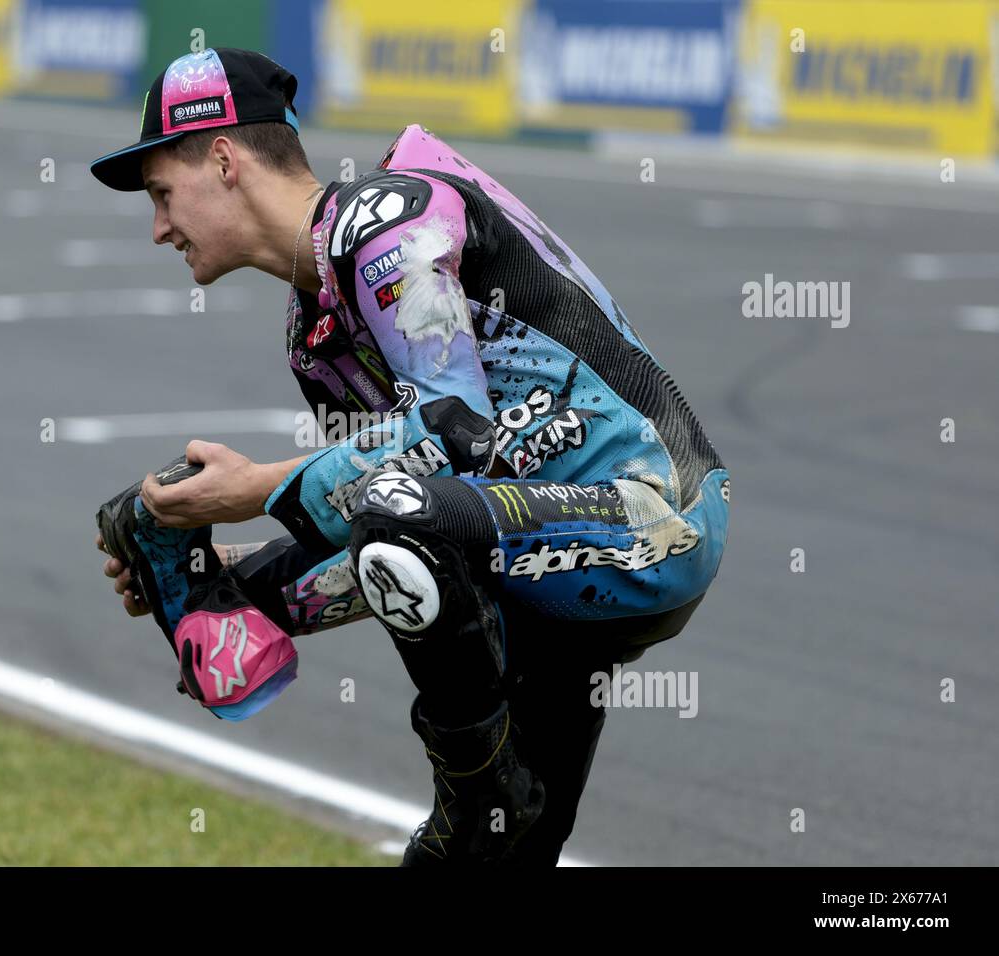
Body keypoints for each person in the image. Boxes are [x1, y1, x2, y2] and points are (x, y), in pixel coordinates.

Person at [91, 47, 730, 865]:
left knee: (399, 510)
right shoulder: (312, 332)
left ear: (222, 158)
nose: (157, 230)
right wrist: (221, 584)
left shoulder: (385, 219)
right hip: (531, 575)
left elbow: (449, 437)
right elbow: (399, 546)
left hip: (653, 520)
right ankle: (485, 799)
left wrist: (250, 490)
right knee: (489, 858)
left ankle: (478, 783)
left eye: (160, 195)